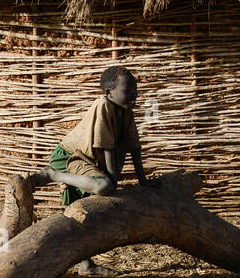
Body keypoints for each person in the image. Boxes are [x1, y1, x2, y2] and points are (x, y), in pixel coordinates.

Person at [33, 64, 153, 204]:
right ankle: (53, 175)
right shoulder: (103, 105)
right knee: (104, 186)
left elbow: (134, 147)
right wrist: (113, 183)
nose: (134, 94)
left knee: (104, 187)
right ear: (109, 93)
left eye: (135, 90)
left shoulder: (126, 111)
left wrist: (143, 181)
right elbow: (106, 146)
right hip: (69, 156)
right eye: (127, 90)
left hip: (88, 159)